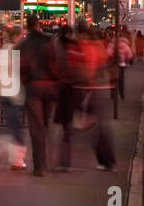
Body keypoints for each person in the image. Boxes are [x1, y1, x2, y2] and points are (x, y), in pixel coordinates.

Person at [68, 23, 116, 170]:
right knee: (98, 127)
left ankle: (106, 161)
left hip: (89, 89)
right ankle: (106, 161)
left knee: (93, 127)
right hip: (99, 89)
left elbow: (88, 69)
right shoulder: (99, 45)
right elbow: (104, 63)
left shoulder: (85, 46)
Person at [18, 14, 59, 176]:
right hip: (50, 86)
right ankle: (47, 158)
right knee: (45, 123)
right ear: (38, 25)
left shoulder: (23, 45)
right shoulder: (49, 42)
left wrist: (24, 83)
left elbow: (18, 68)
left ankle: (40, 165)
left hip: (33, 87)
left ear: (27, 27)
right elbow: (58, 63)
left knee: (36, 127)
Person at [0, 24, 27, 170]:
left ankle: (15, 158)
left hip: (5, 92)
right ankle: (18, 159)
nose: (23, 38)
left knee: (13, 127)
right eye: (21, 35)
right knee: (16, 127)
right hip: (14, 93)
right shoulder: (15, 50)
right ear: (16, 36)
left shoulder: (4, 49)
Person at [52, 24, 77, 172]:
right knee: (67, 127)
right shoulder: (74, 47)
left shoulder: (54, 46)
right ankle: (64, 162)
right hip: (69, 87)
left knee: (58, 124)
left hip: (58, 86)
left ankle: (56, 159)